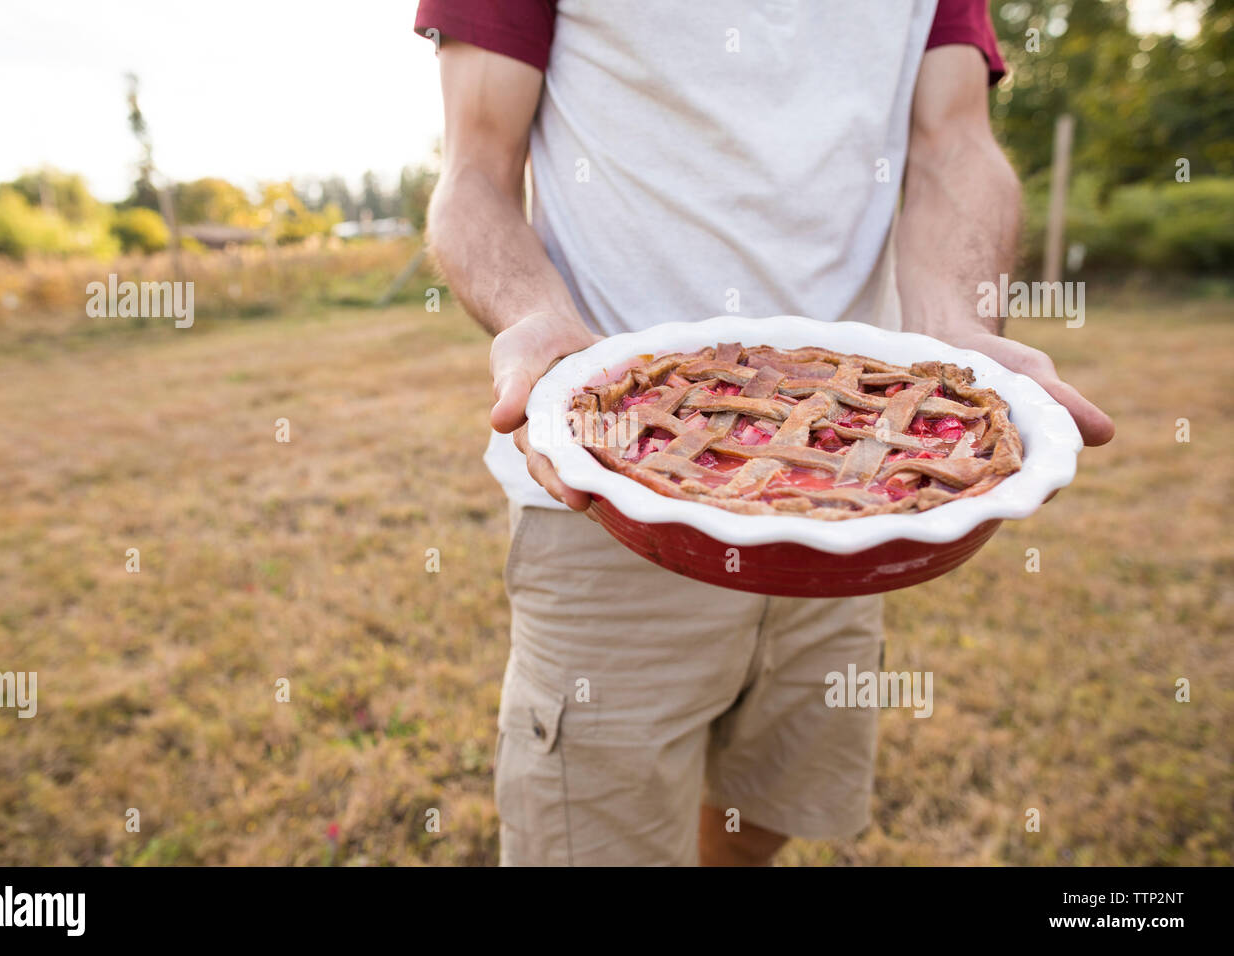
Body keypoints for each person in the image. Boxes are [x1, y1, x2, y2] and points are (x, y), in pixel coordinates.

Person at [415, 0, 1114, 866]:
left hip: (864, 486)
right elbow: (476, 167)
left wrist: (957, 335)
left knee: (767, 809)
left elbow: (955, 145)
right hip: (614, 492)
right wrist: (537, 319)